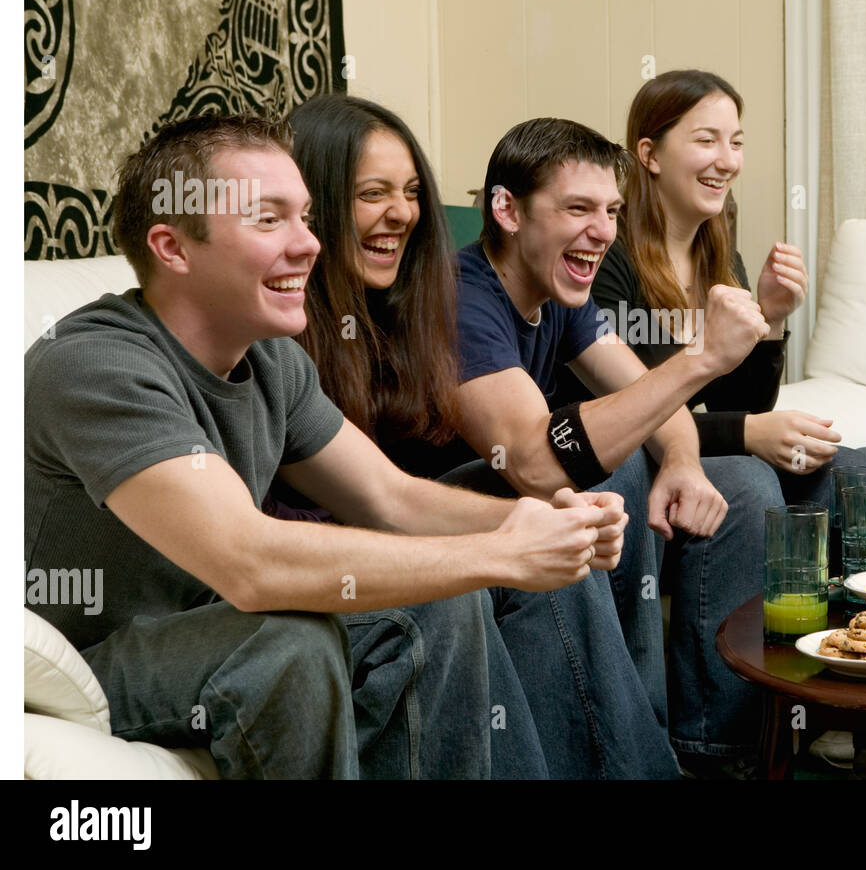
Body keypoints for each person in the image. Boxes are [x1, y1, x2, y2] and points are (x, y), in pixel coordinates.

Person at [24, 112, 626, 779]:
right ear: (174, 247)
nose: (308, 243)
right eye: (269, 219)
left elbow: (387, 496)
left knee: (445, 597)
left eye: (306, 217)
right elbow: (248, 562)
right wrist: (499, 551)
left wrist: (533, 521)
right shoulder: (95, 365)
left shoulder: (271, 359)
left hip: (213, 625)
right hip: (96, 658)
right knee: (290, 645)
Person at [284, 93, 677, 779]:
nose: (403, 212)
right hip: (327, 560)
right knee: (535, 529)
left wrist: (686, 459)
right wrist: (706, 362)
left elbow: (392, 496)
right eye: (372, 193)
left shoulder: (392, 305)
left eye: (410, 192)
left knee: (562, 525)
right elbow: (512, 461)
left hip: (390, 519)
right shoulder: (285, 333)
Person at [440, 115, 787, 775]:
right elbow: (537, 463)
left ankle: (667, 745)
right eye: (578, 208)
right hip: (427, 510)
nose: (603, 231)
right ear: (507, 210)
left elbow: (655, 401)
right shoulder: (465, 296)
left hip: (511, 498)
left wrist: (682, 462)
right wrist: (704, 357)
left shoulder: (557, 291)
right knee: (596, 471)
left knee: (631, 460)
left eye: (611, 211)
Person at [560, 68, 866, 523]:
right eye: (707, 141)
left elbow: (738, 406)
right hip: (621, 458)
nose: (727, 161)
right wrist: (747, 434)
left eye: (737, 143)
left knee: (853, 471)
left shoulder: (722, 260)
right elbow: (635, 415)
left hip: (697, 447)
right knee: (749, 482)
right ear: (650, 155)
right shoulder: (607, 256)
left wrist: (772, 318)